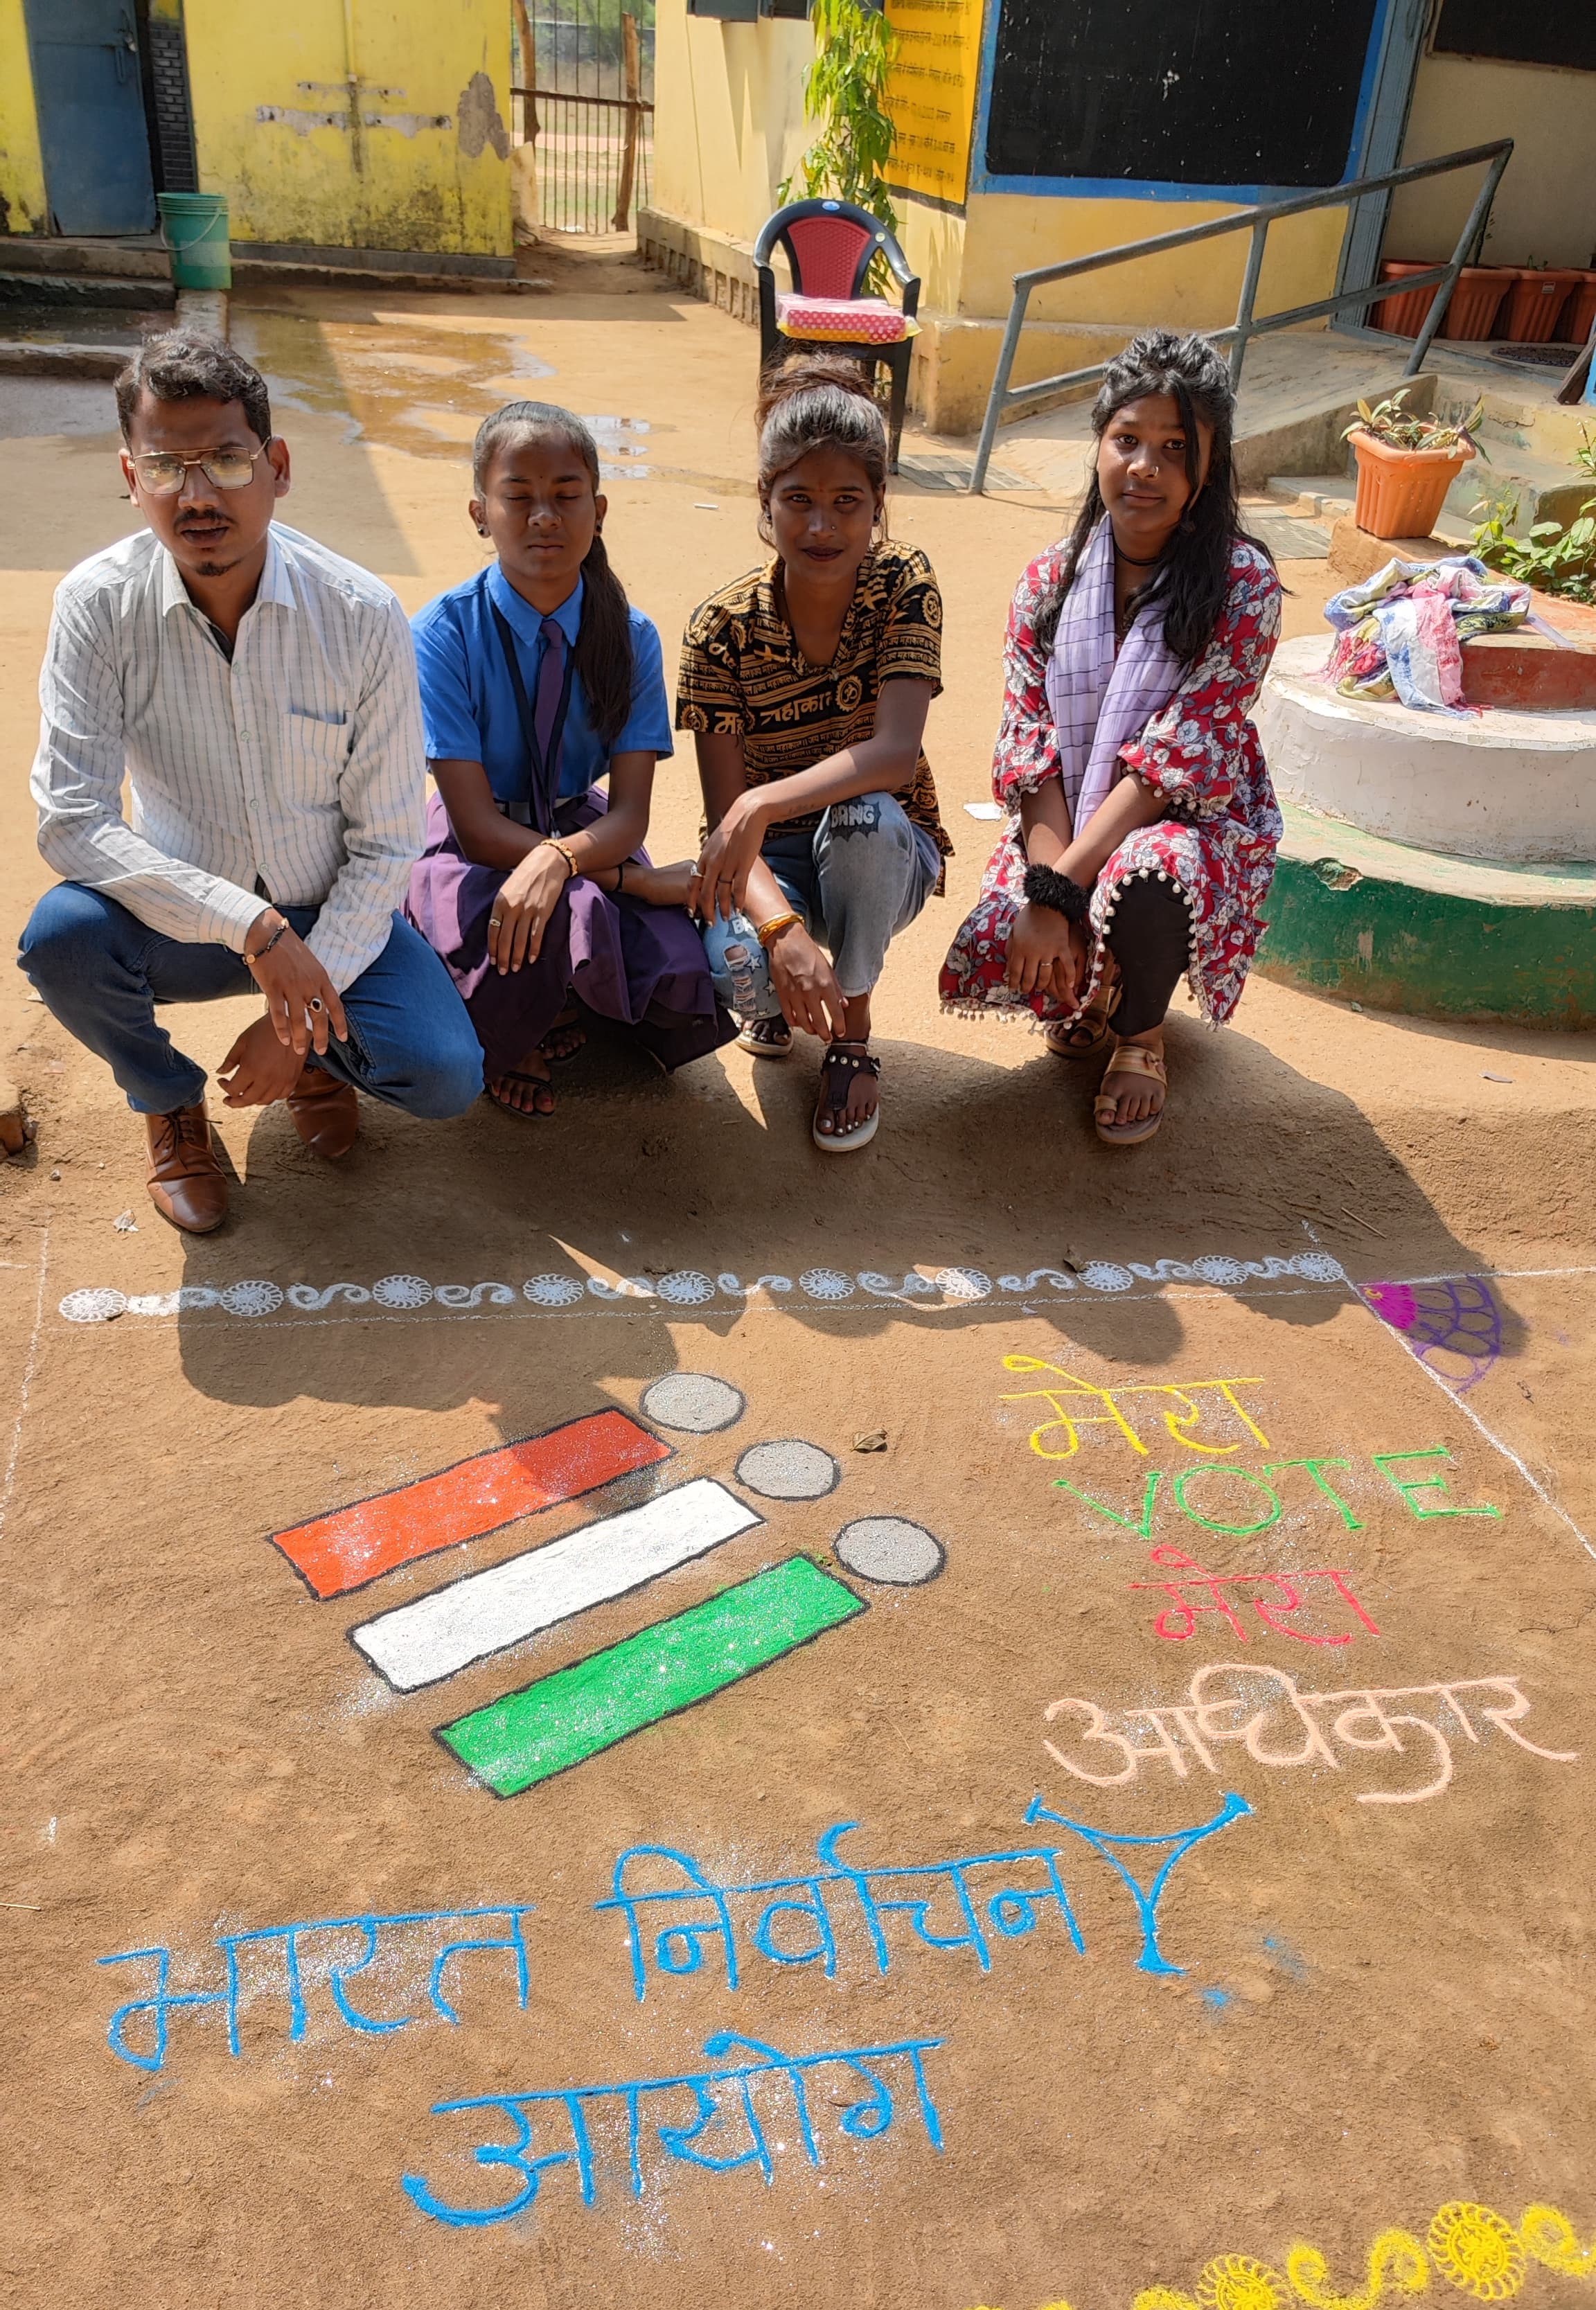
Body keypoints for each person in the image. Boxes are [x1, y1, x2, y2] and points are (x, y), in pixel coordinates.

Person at [17, 330, 483, 1235]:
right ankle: (170, 1103)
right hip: (184, 916)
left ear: (277, 465)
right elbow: (72, 820)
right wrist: (252, 928)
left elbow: (389, 842)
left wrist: (292, 1020)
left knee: (443, 1070)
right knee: (62, 936)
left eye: (227, 459)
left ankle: (316, 1061)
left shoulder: (360, 613)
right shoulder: (96, 606)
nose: (198, 494)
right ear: (129, 473)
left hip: (330, 909)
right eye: (167, 465)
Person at [939, 330, 1282, 1147]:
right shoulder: (1047, 581)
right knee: (1016, 918)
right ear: (1098, 446)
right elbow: (1031, 748)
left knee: (1155, 871)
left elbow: (1175, 760)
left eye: (1174, 448)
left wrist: (1056, 893)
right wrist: (1048, 885)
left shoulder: (1243, 586)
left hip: (1193, 821)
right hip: (1065, 822)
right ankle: (1089, 988)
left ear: (1207, 469)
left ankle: (1141, 1031)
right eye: (1127, 439)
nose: (1146, 467)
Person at [405, 402, 732, 1118]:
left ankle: (550, 995)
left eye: (565, 495)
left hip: (585, 837)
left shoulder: (632, 635)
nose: (544, 516)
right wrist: (612, 879)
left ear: (600, 507)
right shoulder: (441, 632)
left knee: (679, 962)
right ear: (480, 512)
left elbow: (630, 813)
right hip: (474, 845)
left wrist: (568, 861)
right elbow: (476, 823)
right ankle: (518, 1025)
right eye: (518, 496)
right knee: (565, 915)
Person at [671, 354, 950, 1153]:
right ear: (766, 502)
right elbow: (727, 821)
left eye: (846, 503)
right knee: (740, 969)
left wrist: (761, 802)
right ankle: (782, 996)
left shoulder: (903, 582)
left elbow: (895, 755)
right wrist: (783, 929)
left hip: (887, 848)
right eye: (798, 500)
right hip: (766, 865)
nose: (822, 527)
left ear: (878, 507)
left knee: (861, 817)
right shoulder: (719, 629)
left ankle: (852, 1034)